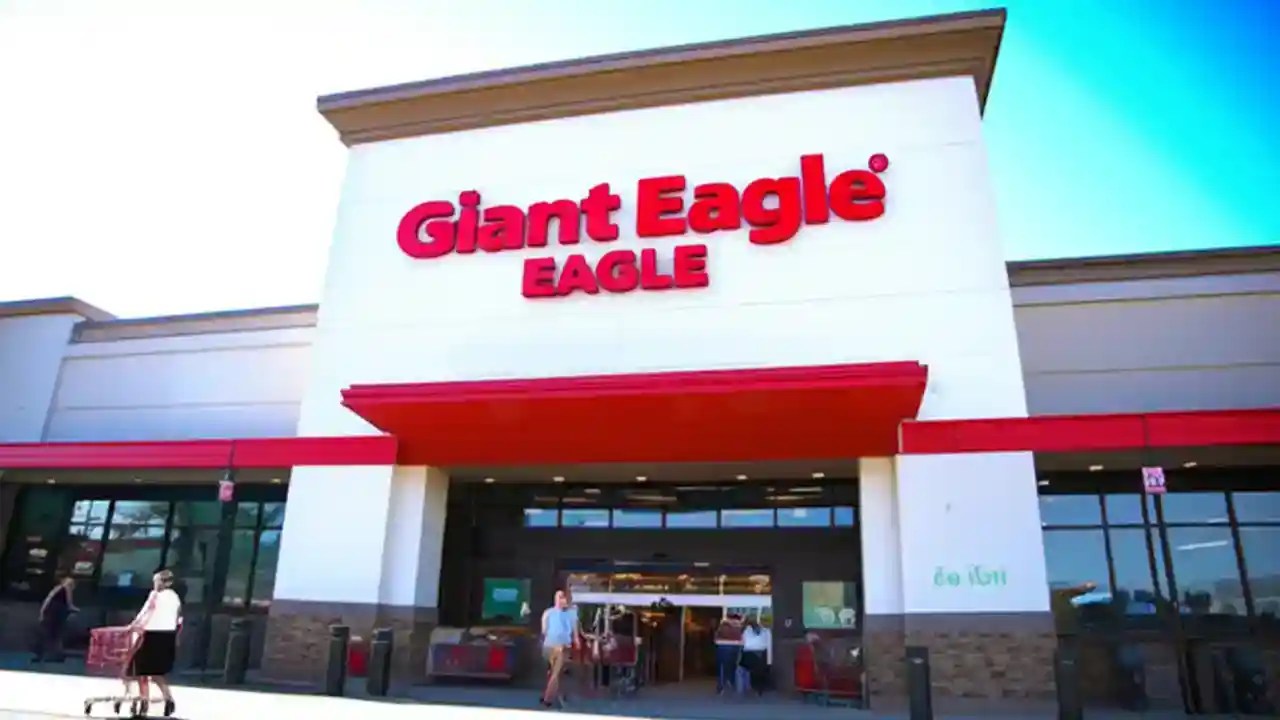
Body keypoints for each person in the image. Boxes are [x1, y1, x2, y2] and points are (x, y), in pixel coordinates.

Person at [125, 570, 183, 717]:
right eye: (155, 581)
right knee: (157, 672)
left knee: (138, 668)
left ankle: (143, 700)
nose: (156, 584)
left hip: (152, 634)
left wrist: (134, 624)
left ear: (167, 583)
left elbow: (147, 611)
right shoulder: (175, 597)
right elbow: (177, 617)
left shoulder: (155, 595)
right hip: (167, 635)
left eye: (158, 581)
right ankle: (168, 698)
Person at [540, 590, 579, 709]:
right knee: (554, 673)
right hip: (549, 646)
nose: (563, 600)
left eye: (564, 598)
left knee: (556, 672)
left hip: (562, 646)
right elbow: (544, 630)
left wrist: (576, 641)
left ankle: (547, 699)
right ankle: (556, 696)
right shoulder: (548, 613)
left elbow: (575, 631)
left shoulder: (571, 614)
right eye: (560, 598)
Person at [32, 576, 79, 663]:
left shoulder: (57, 589)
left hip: (52, 613)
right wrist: (75, 609)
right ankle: (54, 655)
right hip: (55, 614)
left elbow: (47, 600)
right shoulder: (65, 588)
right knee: (54, 635)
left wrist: (42, 613)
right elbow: (69, 603)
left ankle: (44, 655)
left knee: (49, 635)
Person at [713, 613, 744, 695]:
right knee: (732, 666)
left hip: (722, 646)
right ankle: (731, 683)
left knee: (721, 667)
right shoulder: (739, 626)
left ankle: (721, 687)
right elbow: (742, 638)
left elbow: (716, 637)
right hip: (735, 647)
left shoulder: (723, 626)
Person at [740, 617, 771, 696]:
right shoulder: (766, 631)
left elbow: (744, 642)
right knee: (760, 672)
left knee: (750, 672)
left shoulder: (746, 631)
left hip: (750, 652)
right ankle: (758, 689)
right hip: (761, 652)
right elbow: (769, 644)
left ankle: (751, 688)